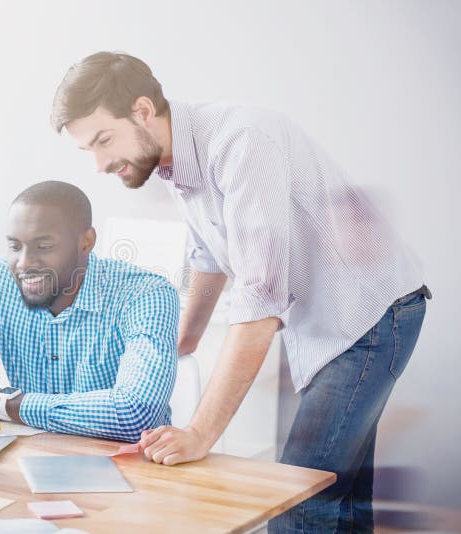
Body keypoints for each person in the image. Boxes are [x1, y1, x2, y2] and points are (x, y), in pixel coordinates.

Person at [51, 51, 429, 531]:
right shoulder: (171, 161)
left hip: (371, 315)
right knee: (340, 494)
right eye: (88, 150)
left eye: (104, 140)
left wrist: (199, 434)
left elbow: (261, 295)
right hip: (338, 317)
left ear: (143, 110)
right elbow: (210, 258)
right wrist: (180, 343)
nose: (101, 164)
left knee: (296, 499)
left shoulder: (240, 142)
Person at [0, 181, 178, 442]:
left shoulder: (146, 294)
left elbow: (138, 412)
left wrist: (6, 404)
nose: (24, 263)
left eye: (44, 246)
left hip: (130, 471)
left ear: (86, 241)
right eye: (15, 246)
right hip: (27, 461)